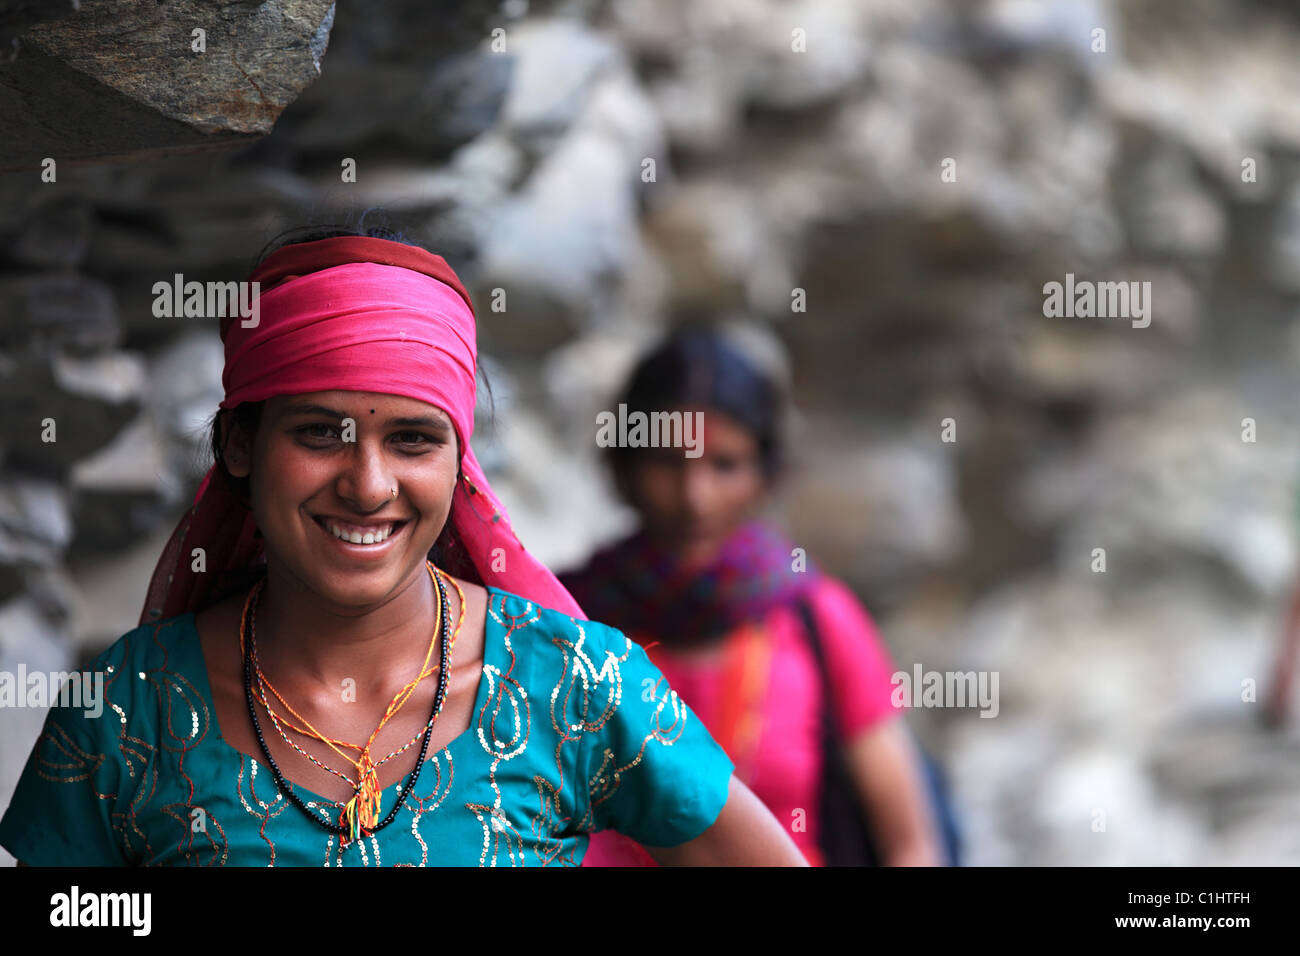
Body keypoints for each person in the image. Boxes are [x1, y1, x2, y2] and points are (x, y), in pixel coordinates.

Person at [0, 228, 806, 867]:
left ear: (461, 465)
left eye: (415, 440)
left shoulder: (575, 685)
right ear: (240, 445)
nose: (368, 484)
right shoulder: (131, 705)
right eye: (320, 433)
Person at [562, 326, 948, 866]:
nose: (695, 497)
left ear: (765, 474)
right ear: (624, 467)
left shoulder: (816, 617)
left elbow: (910, 846)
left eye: (725, 465)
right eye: (669, 463)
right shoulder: (565, 620)